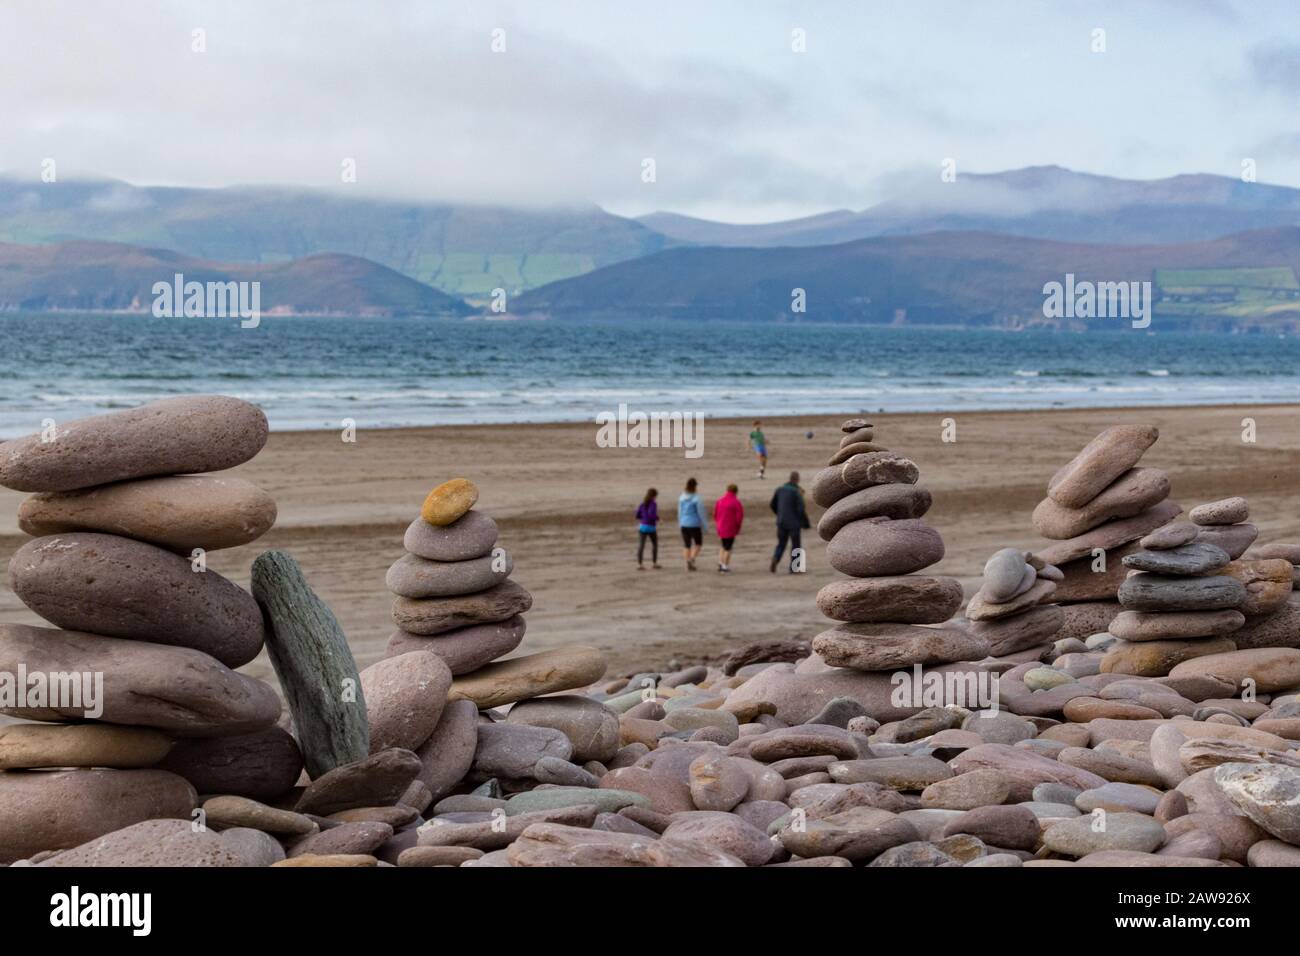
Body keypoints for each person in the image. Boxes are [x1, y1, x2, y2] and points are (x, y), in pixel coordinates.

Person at [770, 471, 810, 573]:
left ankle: (776, 558)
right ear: (797, 480)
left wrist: (779, 514)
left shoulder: (780, 489)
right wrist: (805, 523)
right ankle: (795, 568)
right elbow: (801, 509)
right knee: (796, 545)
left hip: (781, 521)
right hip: (794, 523)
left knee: (781, 543)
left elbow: (772, 504)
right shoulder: (797, 492)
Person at [712, 483, 744, 572]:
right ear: (736, 492)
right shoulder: (736, 502)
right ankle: (724, 566)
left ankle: (720, 562)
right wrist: (738, 527)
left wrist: (718, 522)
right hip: (730, 527)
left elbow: (715, 514)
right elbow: (739, 517)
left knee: (723, 545)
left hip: (721, 526)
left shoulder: (720, 500)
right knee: (728, 547)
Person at [677, 477, 707, 571]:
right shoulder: (697, 498)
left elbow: (680, 511)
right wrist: (705, 526)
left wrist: (680, 522)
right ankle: (692, 559)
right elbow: (701, 513)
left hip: (684, 523)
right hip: (694, 524)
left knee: (687, 545)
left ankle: (687, 562)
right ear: (695, 486)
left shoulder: (681, 497)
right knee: (698, 544)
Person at [635, 488, 661, 570]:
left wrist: (643, 518)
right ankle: (654, 563)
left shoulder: (642, 504)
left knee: (641, 546)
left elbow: (637, 515)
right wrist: (658, 518)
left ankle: (640, 564)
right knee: (655, 545)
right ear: (654, 496)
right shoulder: (653, 504)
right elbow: (652, 515)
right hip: (651, 527)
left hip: (642, 527)